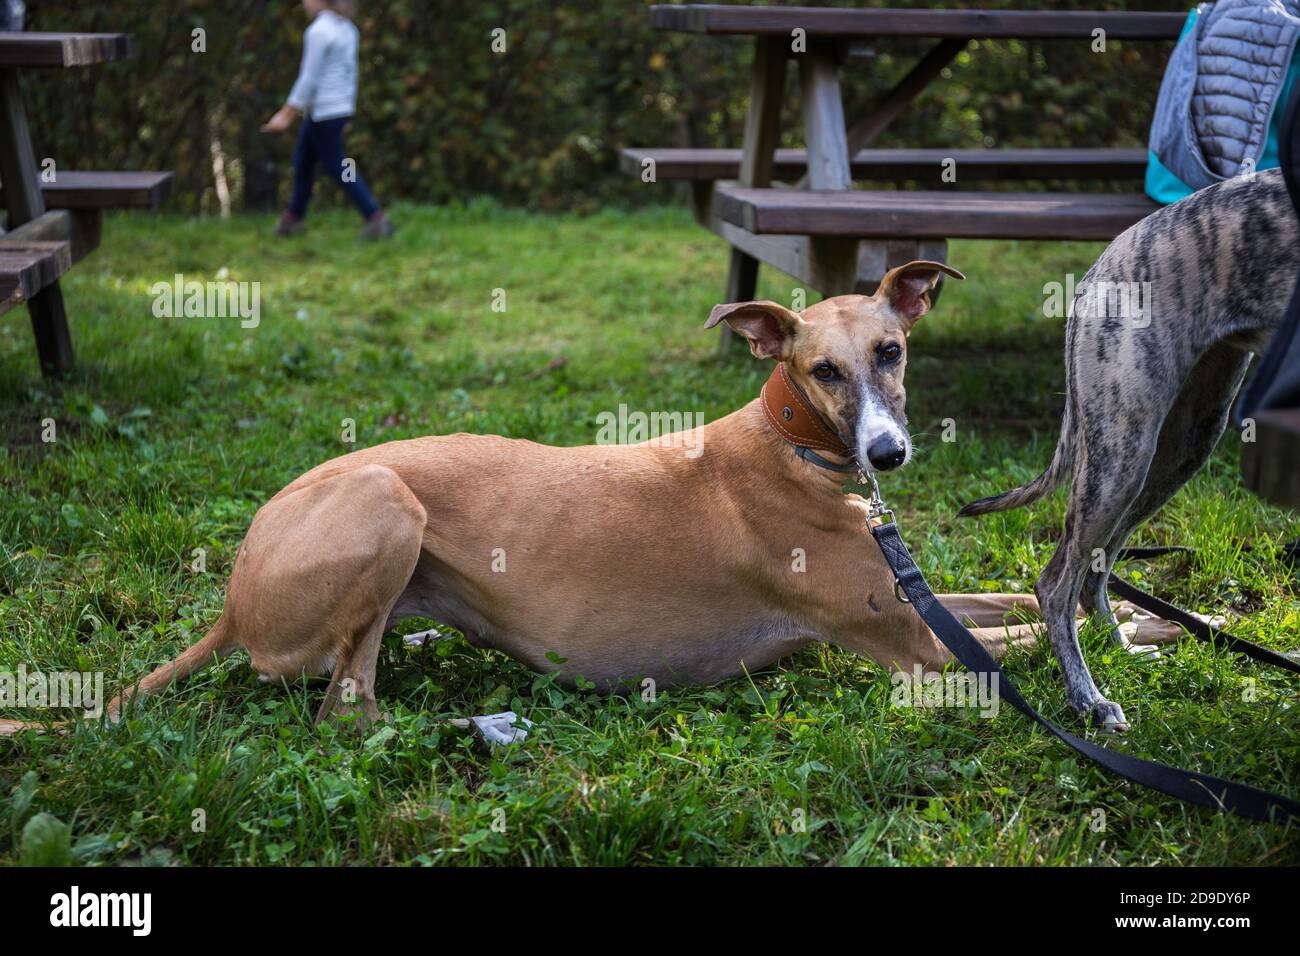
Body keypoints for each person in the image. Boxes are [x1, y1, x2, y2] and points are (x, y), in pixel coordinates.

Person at [262, 0, 394, 238]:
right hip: (334, 110)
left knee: (337, 165)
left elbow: (308, 79)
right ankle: (293, 218)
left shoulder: (319, 31)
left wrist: (286, 114)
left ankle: (375, 217)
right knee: (303, 161)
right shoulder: (347, 29)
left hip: (324, 112)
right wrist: (347, 110)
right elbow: (350, 72)